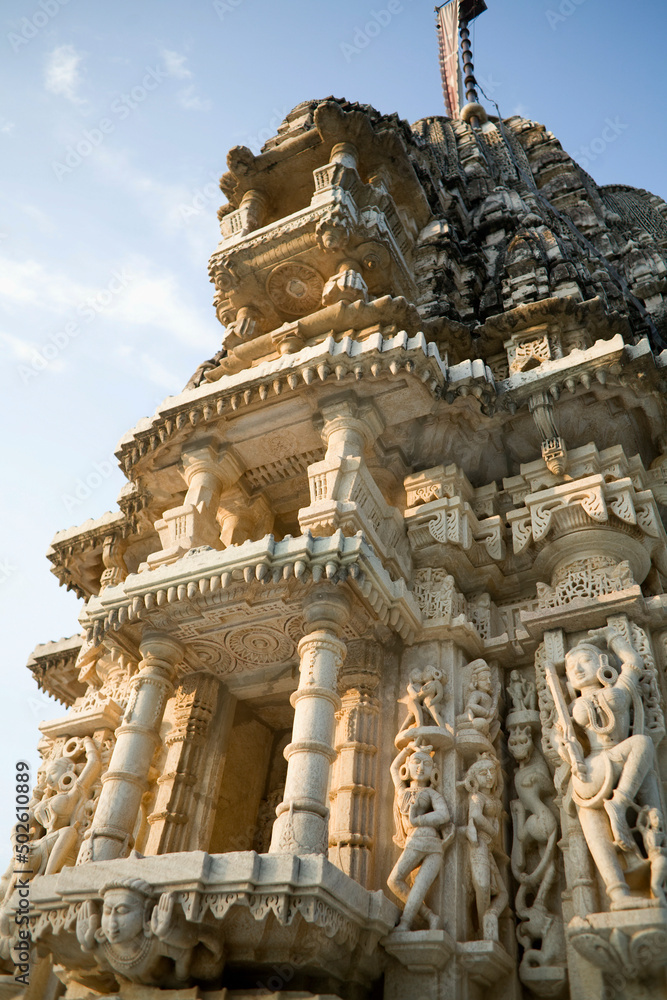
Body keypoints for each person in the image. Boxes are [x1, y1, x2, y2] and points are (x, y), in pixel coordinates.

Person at [388, 742, 453, 931]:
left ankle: (406, 923)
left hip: (426, 840)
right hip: (415, 841)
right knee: (396, 882)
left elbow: (444, 815)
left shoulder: (430, 793)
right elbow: (393, 768)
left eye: (426, 764)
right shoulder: (403, 791)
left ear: (433, 771)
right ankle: (430, 917)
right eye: (416, 762)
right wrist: (408, 748)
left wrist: (418, 820)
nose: (420, 767)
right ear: (407, 767)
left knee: (414, 885)